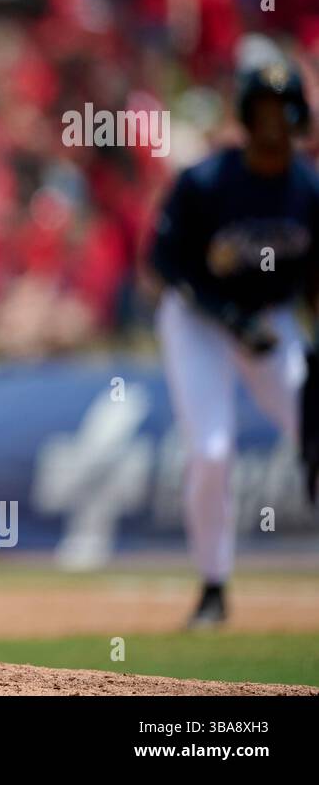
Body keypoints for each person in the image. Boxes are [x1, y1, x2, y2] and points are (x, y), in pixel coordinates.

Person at [150, 61, 317, 629]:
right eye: (263, 113)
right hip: (199, 322)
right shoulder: (207, 182)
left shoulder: (310, 189)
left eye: (283, 112)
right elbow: (163, 261)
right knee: (212, 450)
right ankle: (213, 587)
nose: (273, 125)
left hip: (269, 323)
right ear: (246, 118)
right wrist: (226, 315)